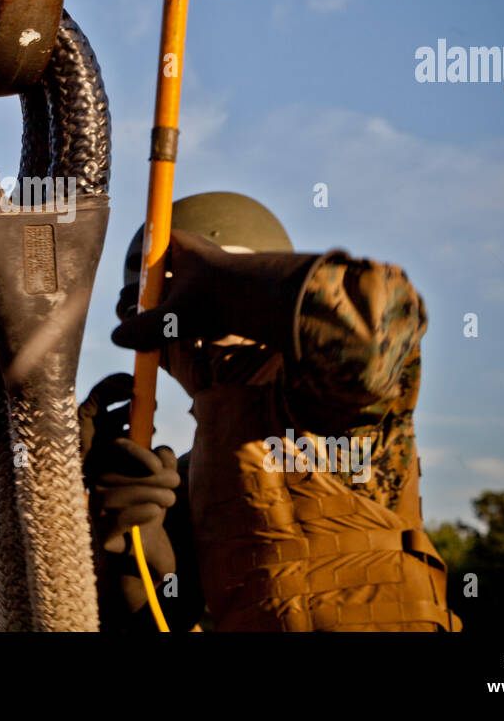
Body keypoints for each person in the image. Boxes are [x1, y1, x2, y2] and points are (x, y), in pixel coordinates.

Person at [106, 191, 461, 632]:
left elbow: (372, 329)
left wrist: (223, 285)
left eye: (193, 303)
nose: (196, 337)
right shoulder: (183, 484)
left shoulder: (330, 410)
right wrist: (118, 554)